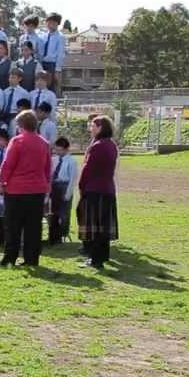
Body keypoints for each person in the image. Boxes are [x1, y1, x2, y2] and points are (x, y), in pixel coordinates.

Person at [0, 109, 52, 267]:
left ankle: (10, 257)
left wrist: (1, 181)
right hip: (37, 190)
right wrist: (47, 185)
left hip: (16, 190)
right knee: (33, 227)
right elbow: (47, 168)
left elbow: (8, 165)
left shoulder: (17, 141)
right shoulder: (44, 143)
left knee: (13, 226)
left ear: (20, 125)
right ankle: (32, 258)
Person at [77, 115, 119, 269]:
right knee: (104, 225)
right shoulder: (111, 145)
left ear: (101, 128)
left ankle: (95, 258)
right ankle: (103, 255)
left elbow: (87, 170)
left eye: (93, 126)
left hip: (94, 190)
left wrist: (81, 186)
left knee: (94, 225)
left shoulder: (98, 146)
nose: (90, 129)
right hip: (108, 189)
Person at [47, 137, 77, 246]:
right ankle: (53, 236)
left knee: (64, 213)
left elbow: (73, 179)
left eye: (60, 150)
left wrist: (68, 193)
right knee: (53, 212)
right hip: (54, 185)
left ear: (66, 149)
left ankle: (63, 234)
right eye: (56, 150)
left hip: (64, 186)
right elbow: (50, 175)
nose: (58, 152)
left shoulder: (71, 161)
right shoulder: (54, 160)